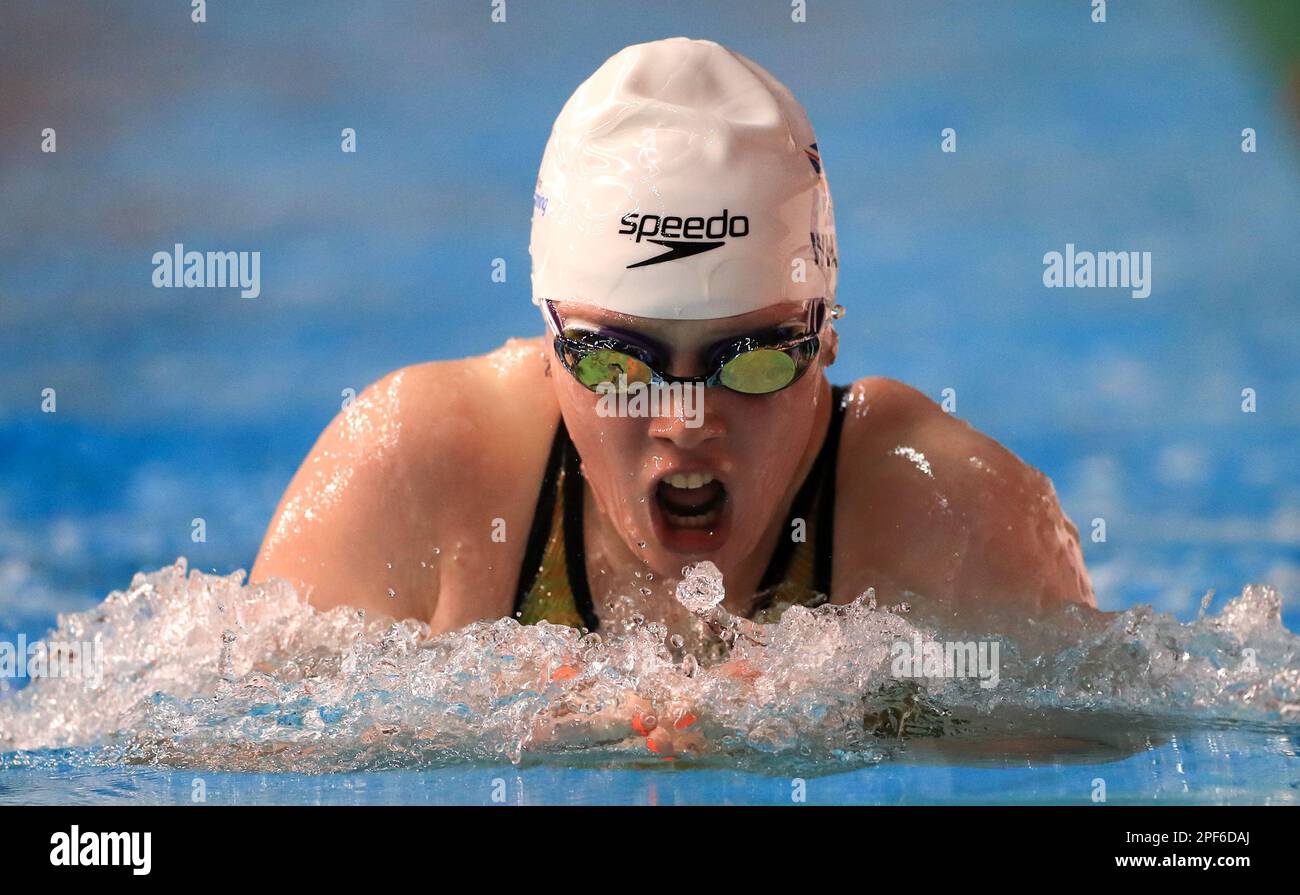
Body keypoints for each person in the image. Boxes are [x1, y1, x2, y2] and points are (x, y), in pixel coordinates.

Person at [251, 37, 1094, 660]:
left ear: (825, 332)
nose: (685, 421)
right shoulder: (415, 471)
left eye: (751, 358)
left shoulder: (953, 518)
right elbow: (224, 741)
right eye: (617, 362)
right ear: (551, 341)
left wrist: (877, 713)